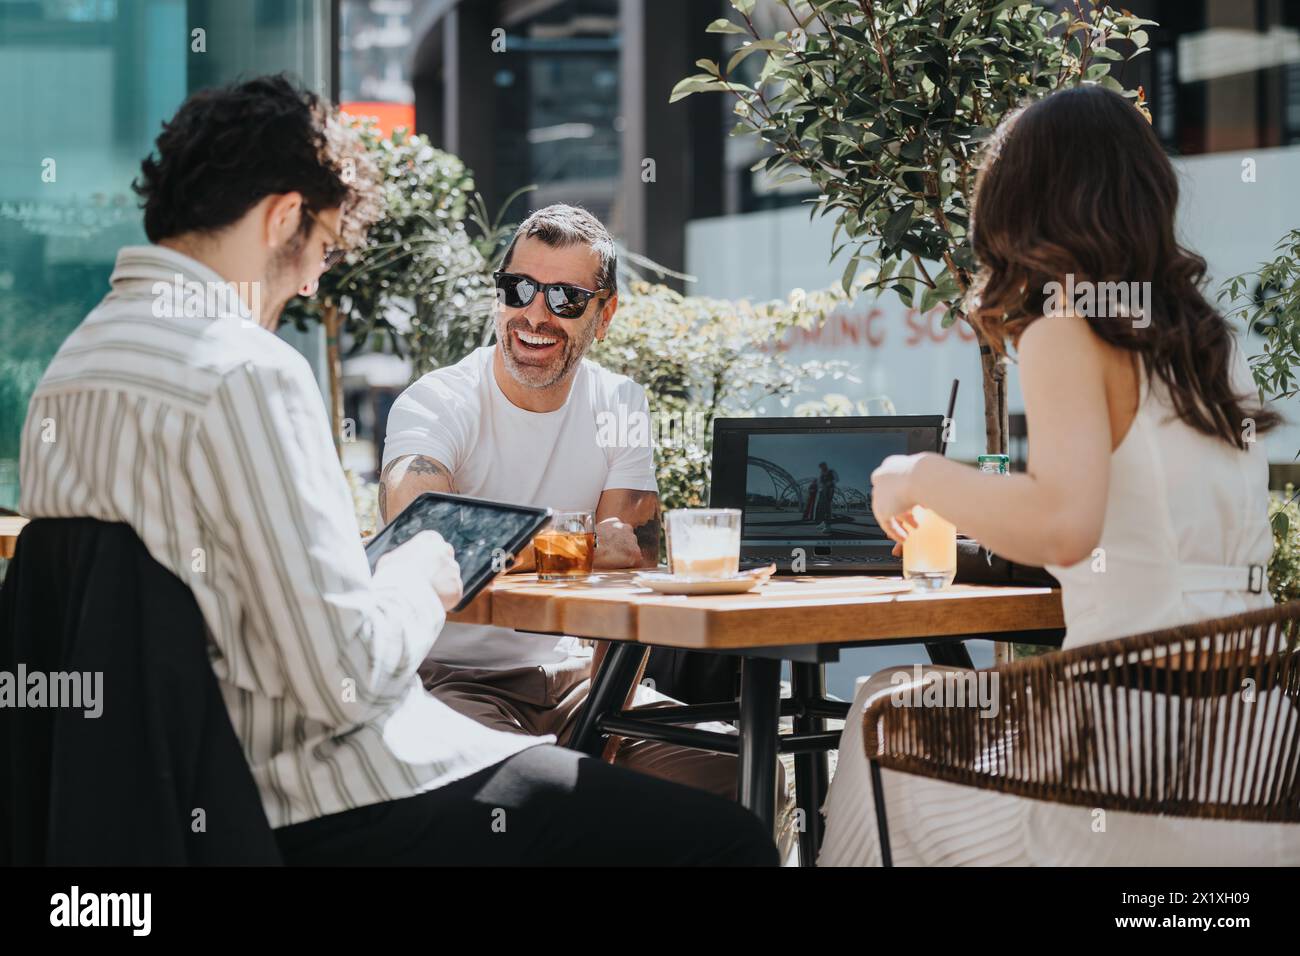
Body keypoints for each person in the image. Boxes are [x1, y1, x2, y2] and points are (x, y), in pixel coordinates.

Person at [18, 76, 776, 866]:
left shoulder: (73, 370)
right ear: (283, 216)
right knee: (725, 841)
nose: (313, 280)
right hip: (326, 794)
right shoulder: (245, 372)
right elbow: (341, 676)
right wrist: (422, 569)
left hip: (163, 807)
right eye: (321, 248)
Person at [819, 85, 1296, 866]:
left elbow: (1065, 526)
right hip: (1252, 767)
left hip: (1127, 767)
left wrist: (920, 474)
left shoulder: (1068, 328)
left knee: (881, 712)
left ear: (1020, 207)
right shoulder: (1207, 342)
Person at [379, 204, 791, 826]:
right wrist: (577, 539)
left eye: (567, 298)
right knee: (524, 808)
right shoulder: (437, 402)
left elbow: (633, 561)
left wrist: (609, 723)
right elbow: (424, 533)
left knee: (746, 775)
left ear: (605, 314)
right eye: (520, 288)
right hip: (455, 681)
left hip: (581, 682)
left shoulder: (620, 403)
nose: (536, 315)